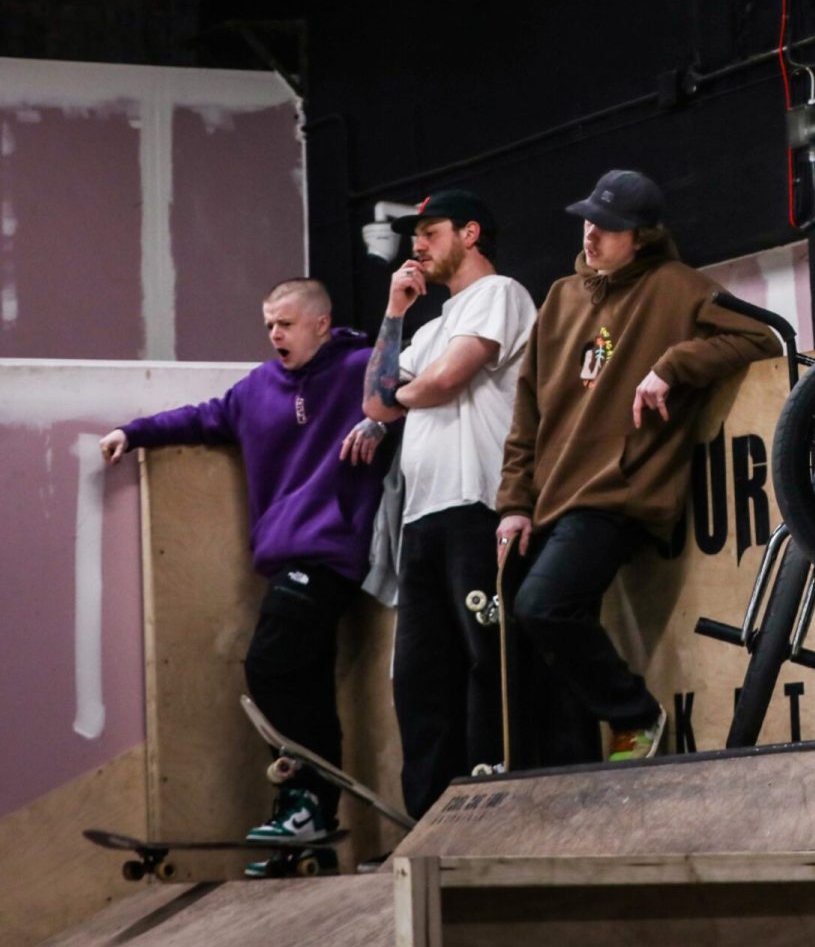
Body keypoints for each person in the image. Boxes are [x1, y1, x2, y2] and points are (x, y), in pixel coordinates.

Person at [99, 279, 392, 871]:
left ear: (321, 324)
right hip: (282, 557)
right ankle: (305, 818)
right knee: (305, 682)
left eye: (286, 324)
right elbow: (202, 418)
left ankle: (308, 797)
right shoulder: (257, 388)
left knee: (269, 664)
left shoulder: (359, 368)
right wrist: (134, 432)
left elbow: (410, 388)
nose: (275, 335)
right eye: (268, 326)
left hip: (330, 551)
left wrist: (382, 421)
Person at [496, 168, 780, 765]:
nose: (592, 235)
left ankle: (634, 715)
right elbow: (527, 412)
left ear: (642, 236)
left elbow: (763, 338)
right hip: (550, 497)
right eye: (588, 221)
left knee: (541, 606)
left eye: (609, 226)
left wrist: (673, 365)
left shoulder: (676, 286)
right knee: (529, 640)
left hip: (615, 492)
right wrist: (515, 503)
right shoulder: (560, 297)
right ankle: (576, 779)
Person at [359, 189, 536, 816]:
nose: (417, 246)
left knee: (488, 660)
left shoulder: (500, 294)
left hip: (477, 504)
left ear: (470, 233)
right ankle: (429, 818)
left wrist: (402, 394)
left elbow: (441, 381)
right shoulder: (428, 328)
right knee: (420, 676)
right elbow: (374, 401)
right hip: (421, 518)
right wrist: (393, 313)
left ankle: (501, 807)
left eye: (430, 232)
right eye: (415, 236)